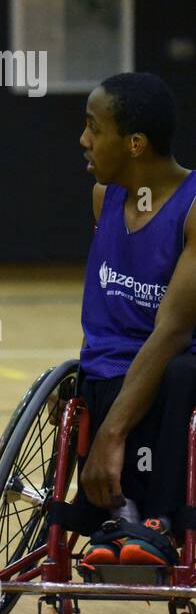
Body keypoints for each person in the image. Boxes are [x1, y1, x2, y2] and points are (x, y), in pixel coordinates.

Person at [69, 73, 196, 570]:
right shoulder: (106, 198)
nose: (84, 140)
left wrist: (112, 434)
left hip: (169, 374)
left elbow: (172, 332)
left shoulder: (191, 209)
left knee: (179, 371)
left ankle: (158, 521)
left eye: (94, 128)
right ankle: (115, 517)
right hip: (102, 377)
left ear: (136, 144)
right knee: (86, 377)